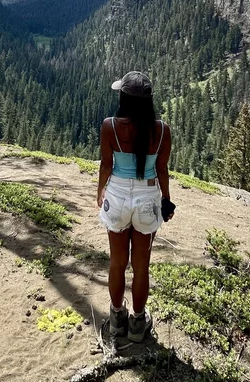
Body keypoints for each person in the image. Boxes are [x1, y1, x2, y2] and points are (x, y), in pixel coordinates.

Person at [97, 71, 175, 342]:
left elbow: (107, 164)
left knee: (117, 263)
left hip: (117, 196)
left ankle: (117, 319)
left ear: (124, 99)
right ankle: (138, 324)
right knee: (142, 267)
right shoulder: (162, 130)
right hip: (147, 199)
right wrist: (165, 199)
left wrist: (100, 191)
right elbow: (162, 169)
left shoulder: (110, 126)